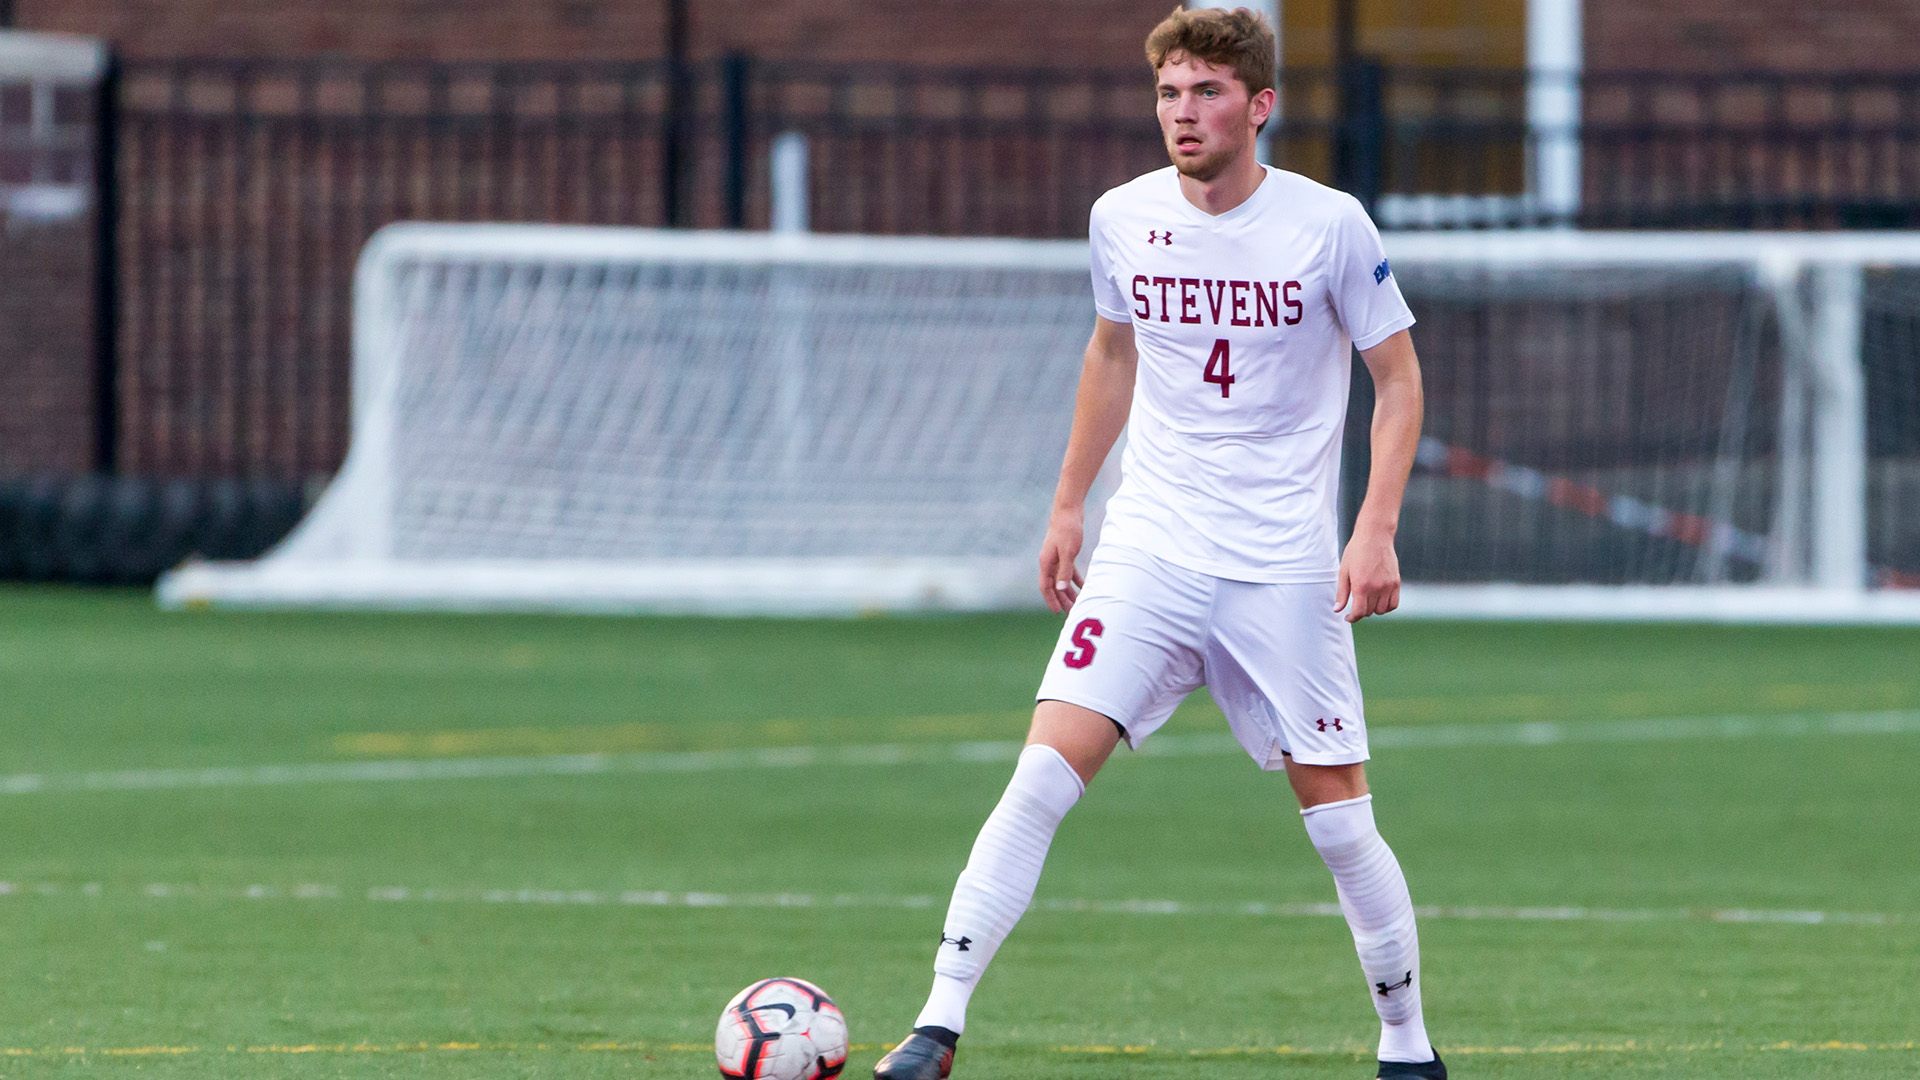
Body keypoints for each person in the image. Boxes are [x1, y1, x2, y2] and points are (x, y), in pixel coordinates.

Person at [873, 7, 1440, 1079]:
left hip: (1281, 566)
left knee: (1339, 828)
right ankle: (936, 1024)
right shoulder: (1123, 217)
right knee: (1038, 779)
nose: (1185, 113)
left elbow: (1399, 378)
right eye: (1171, 94)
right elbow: (1110, 353)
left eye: (1209, 93)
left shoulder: (1329, 226)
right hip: (1152, 552)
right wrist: (1068, 505)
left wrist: (1374, 532)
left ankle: (1407, 1046)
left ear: (1259, 106)